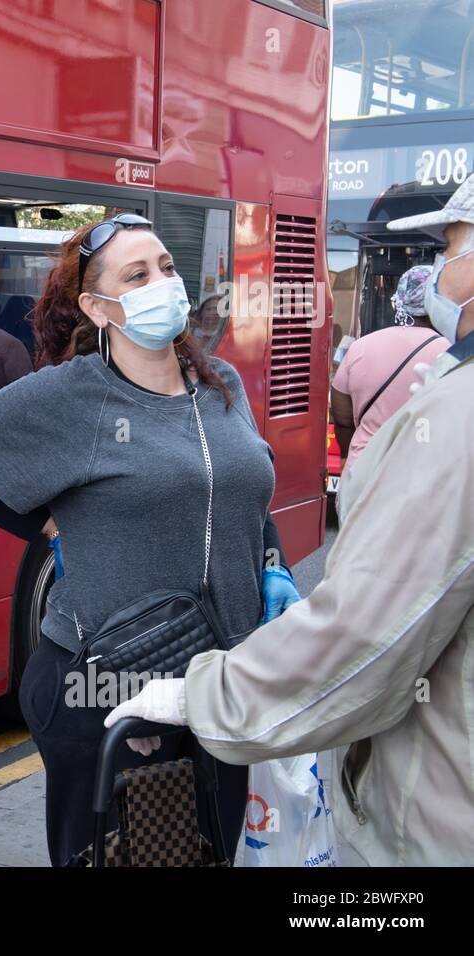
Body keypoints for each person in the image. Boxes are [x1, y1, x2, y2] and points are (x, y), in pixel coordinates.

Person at [106, 177, 474, 866]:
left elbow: (368, 635)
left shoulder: (458, 413)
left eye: (451, 247)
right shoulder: (73, 395)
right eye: (137, 273)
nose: (442, 271)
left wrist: (208, 694)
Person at [0, 213, 300, 866]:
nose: (162, 283)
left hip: (221, 688)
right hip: (111, 690)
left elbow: (245, 495)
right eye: (137, 274)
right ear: (98, 307)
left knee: (214, 854)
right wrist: (47, 524)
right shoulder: (72, 398)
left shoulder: (223, 386)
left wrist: (274, 566)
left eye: (166, 268)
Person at [330, 265, 448, 480]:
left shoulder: (361, 346)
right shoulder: (451, 353)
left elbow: (342, 419)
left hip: (362, 474)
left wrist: (349, 457)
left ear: (398, 301)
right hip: (421, 477)